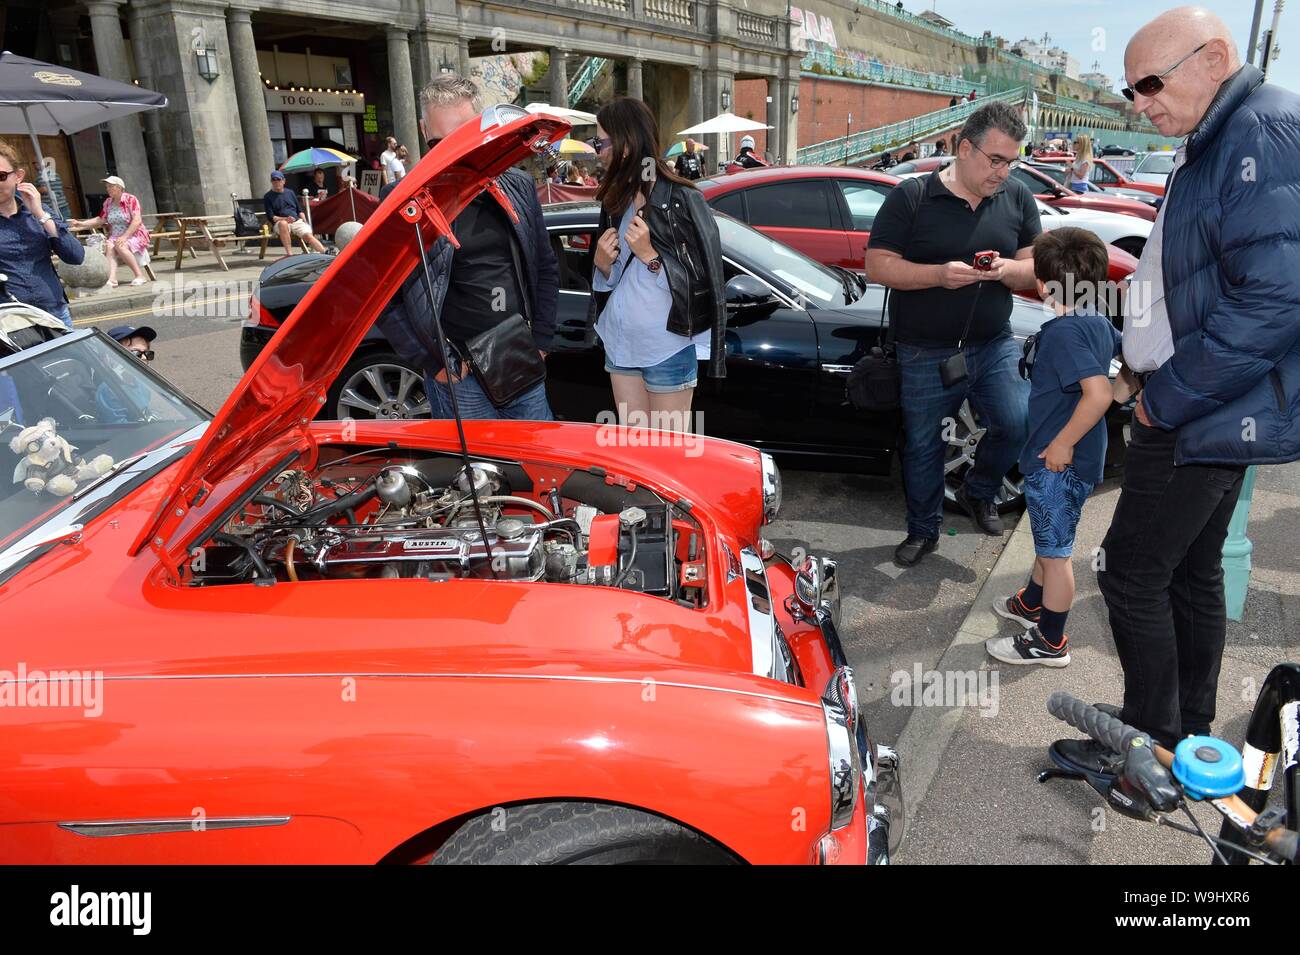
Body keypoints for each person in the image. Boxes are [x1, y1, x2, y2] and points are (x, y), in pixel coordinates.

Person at [1054, 6, 1300, 771]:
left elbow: (1275, 298)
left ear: (1215, 59)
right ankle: (1189, 740)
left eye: (1149, 83)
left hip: (1199, 407)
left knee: (1129, 572)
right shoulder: (1228, 132)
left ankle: (1149, 748)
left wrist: (1164, 397)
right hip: (1212, 406)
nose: (1138, 103)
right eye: (1131, 89)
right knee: (1191, 572)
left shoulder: (1256, 132)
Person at [864, 100, 1040, 567]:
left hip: (993, 342)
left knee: (1016, 421)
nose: (1004, 171)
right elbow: (878, 266)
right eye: (996, 159)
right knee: (925, 444)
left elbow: (1036, 268)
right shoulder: (912, 196)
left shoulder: (1018, 197)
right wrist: (938, 275)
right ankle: (923, 531)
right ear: (965, 148)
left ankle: (979, 492)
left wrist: (1008, 270)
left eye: (1011, 161)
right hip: (924, 350)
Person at [376, 74, 558, 420]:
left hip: (520, 359)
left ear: (479, 125)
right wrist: (432, 362)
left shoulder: (517, 184)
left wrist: (543, 343)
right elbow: (382, 295)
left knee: (541, 470)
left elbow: (545, 266)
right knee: (475, 474)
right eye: (437, 142)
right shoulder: (402, 200)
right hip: (458, 375)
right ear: (421, 129)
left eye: (461, 137)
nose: (450, 152)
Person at [986, 228, 1120, 667]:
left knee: (1056, 554)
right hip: (1070, 459)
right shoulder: (1097, 321)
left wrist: (1062, 443)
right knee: (1049, 542)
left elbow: (1096, 394)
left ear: (1041, 285)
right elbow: (1125, 373)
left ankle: (1049, 642)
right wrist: (1118, 394)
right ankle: (1031, 603)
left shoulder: (1065, 333)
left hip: (1058, 462)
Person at [589, 97, 726, 427]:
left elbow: (704, 282)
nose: (596, 150)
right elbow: (614, 279)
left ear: (625, 144)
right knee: (635, 453)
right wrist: (603, 265)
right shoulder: (615, 201)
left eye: (600, 141)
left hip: (667, 346)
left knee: (666, 454)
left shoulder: (682, 199)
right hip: (621, 344)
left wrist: (651, 256)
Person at [0, 144, 84, 330]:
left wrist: (40, 214)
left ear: (18, 177)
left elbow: (75, 256)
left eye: (1, 176)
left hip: (53, 312)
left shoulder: (40, 212)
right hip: (10, 321)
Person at [67, 176, 149, 288]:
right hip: (115, 236)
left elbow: (137, 220)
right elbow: (101, 219)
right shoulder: (108, 202)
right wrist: (81, 224)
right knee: (109, 246)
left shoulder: (130, 199)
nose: (108, 189)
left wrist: (125, 237)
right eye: (107, 187)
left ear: (119, 187)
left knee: (120, 245)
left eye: (111, 186)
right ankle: (112, 279)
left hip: (134, 235)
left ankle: (139, 275)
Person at [96, 324, 156, 423]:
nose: (144, 358)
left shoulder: (141, 382)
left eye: (147, 353)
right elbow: (121, 429)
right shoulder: (109, 391)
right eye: (136, 353)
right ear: (111, 355)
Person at [263, 171, 326, 255]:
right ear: (271, 181)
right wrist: (285, 219)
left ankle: (325, 252)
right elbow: (271, 217)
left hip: (296, 221)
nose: (276, 182)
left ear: (284, 181)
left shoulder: (290, 193)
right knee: (283, 224)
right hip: (280, 223)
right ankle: (290, 254)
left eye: (279, 179)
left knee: (308, 235)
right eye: (274, 180)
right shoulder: (268, 196)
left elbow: (299, 211)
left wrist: (305, 221)